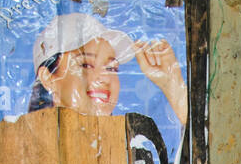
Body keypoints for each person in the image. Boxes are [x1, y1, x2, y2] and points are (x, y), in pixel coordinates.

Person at [27, 12, 187, 129]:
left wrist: (173, 86)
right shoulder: (23, 151)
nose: (103, 77)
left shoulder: (130, 151)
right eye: (86, 65)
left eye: (111, 68)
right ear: (48, 78)